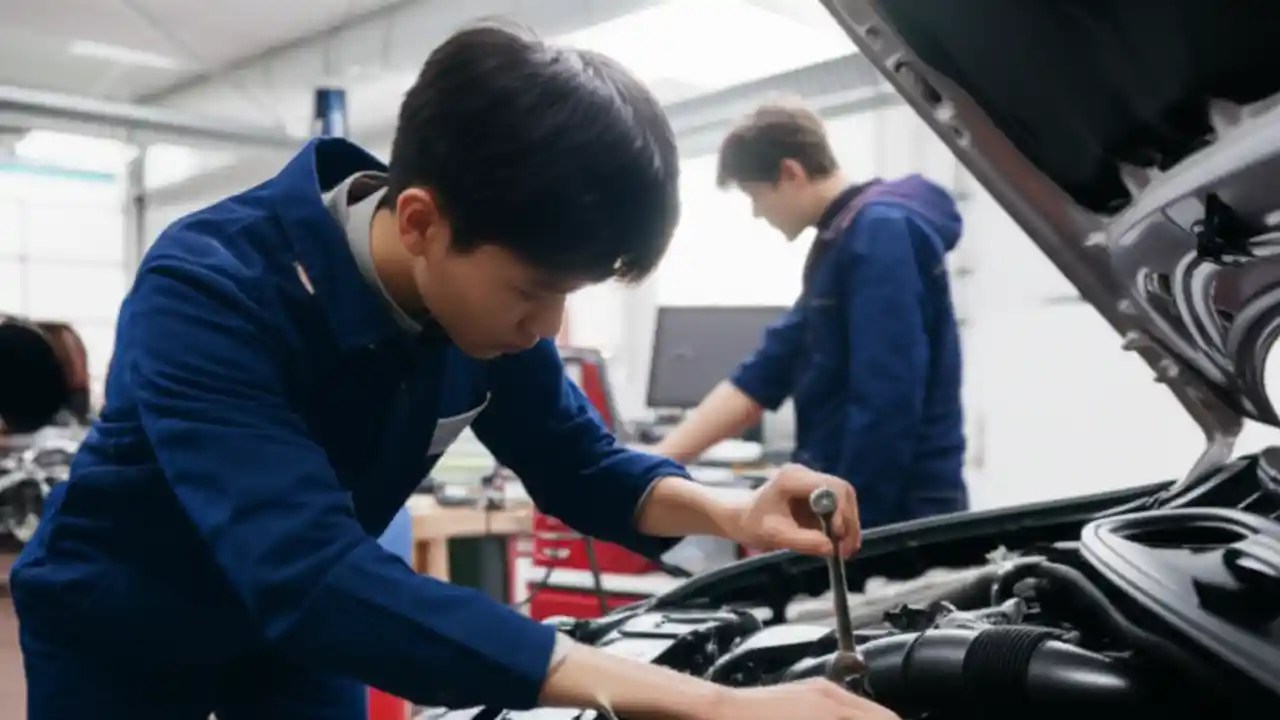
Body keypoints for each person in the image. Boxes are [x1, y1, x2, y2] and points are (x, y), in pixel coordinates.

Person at [9, 25, 900, 720]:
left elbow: (577, 464)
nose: (547, 327)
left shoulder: (477, 308)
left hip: (298, 631)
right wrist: (710, 703)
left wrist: (728, 511)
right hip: (127, 617)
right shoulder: (209, 290)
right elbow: (307, 574)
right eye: (534, 292)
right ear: (424, 222)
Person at [655, 102, 969, 530]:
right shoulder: (841, 242)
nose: (756, 212)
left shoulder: (881, 234)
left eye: (754, 195)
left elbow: (887, 403)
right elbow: (769, 368)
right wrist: (652, 466)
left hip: (896, 512)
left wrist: (844, 529)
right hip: (860, 502)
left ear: (790, 173)